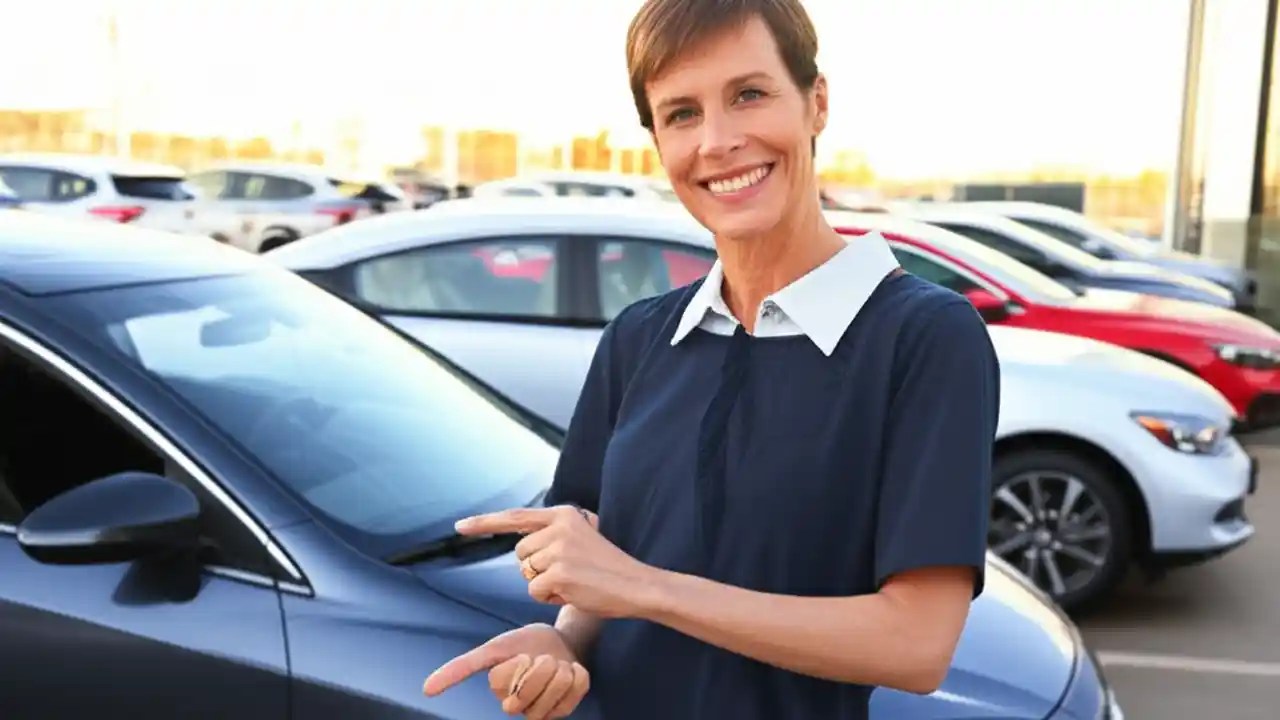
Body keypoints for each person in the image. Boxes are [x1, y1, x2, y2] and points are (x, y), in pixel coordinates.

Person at [422, 0, 1000, 718]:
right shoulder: (637, 340)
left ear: (816, 103)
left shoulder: (923, 338)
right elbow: (598, 587)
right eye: (682, 114)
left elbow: (915, 645)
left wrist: (645, 588)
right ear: (658, 140)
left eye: (749, 95)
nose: (718, 141)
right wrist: (562, 645)